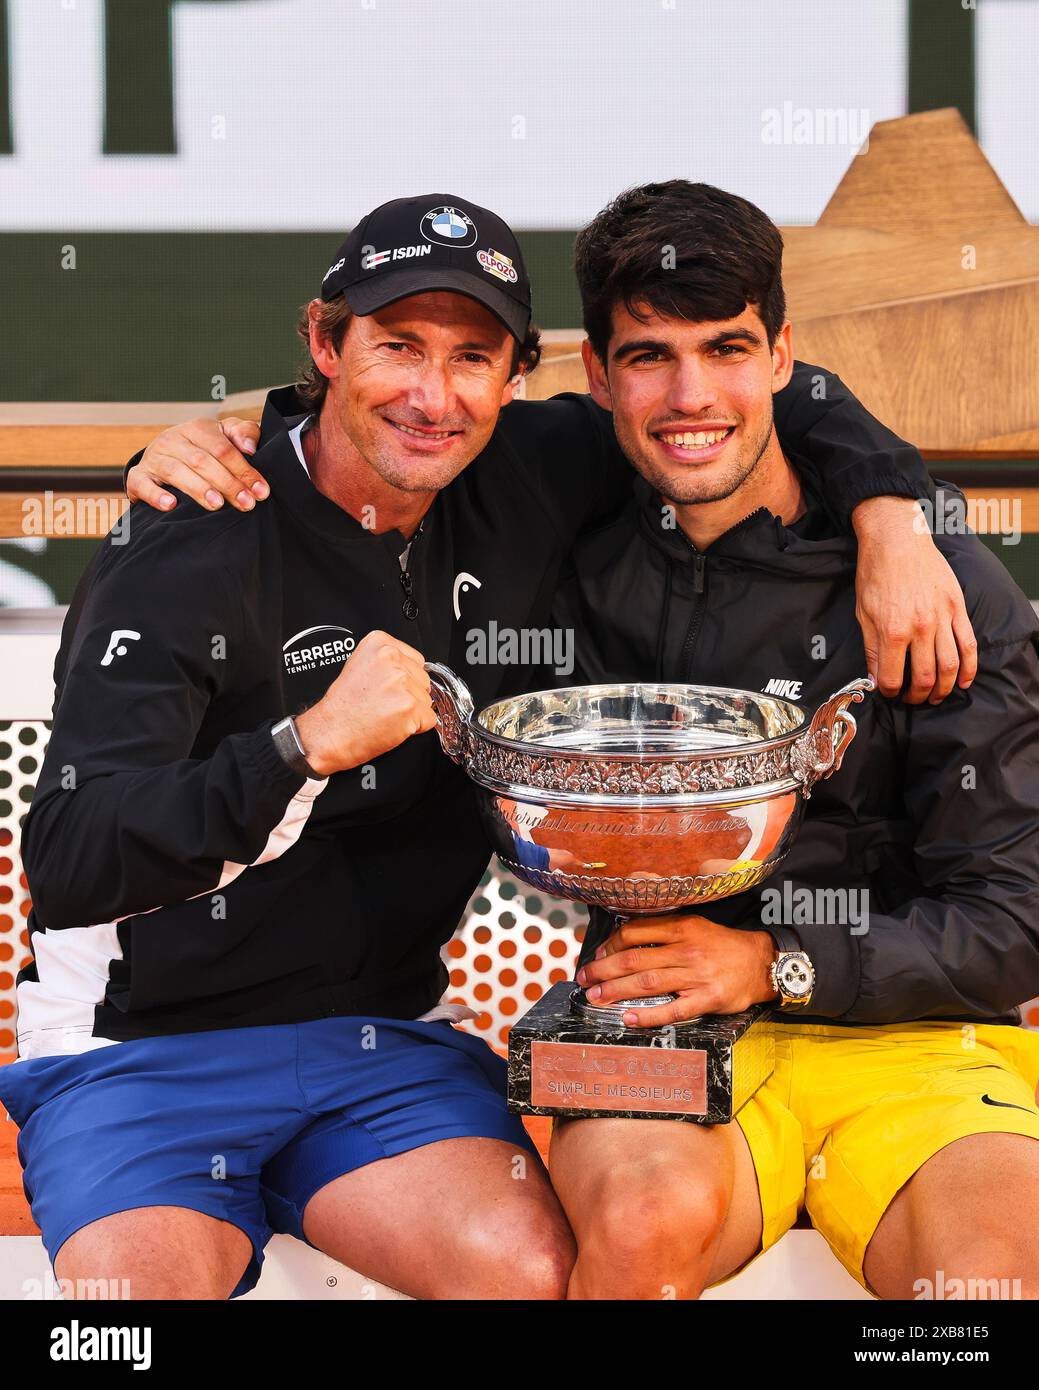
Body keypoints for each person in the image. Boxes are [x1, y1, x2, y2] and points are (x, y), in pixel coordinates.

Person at [10, 190, 968, 1302]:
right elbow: (73, 858)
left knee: (530, 1273)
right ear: (325, 343)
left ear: (522, 376)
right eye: (397, 347)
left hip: (383, 1039)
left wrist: (893, 517)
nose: (434, 393)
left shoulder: (529, 465)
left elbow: (757, 392)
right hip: (141, 1054)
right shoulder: (189, 531)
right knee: (129, 1318)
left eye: (474, 357)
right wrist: (302, 746)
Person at [547, 180, 1039, 1301]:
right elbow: (379, 432)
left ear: (782, 356)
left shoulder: (937, 582)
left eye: (727, 349)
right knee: (637, 1229)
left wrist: (776, 961)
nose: (690, 396)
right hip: (663, 1014)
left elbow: (1014, 918)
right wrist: (217, 442)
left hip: (918, 1033)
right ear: (595, 374)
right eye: (648, 357)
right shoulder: (553, 522)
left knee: (993, 1277)